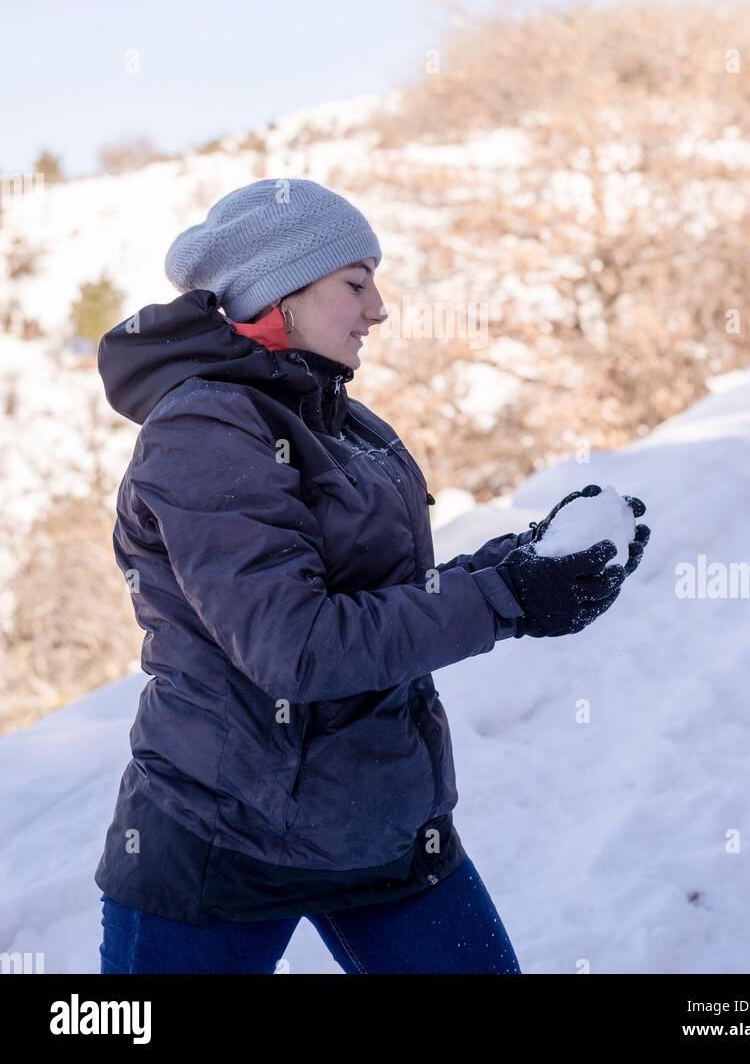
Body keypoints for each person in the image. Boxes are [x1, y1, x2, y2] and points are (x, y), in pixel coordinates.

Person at [94, 176, 650, 974]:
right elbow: (297, 646)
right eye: (355, 283)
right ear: (277, 292)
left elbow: (378, 593)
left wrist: (525, 565)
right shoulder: (205, 429)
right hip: (222, 839)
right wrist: (505, 599)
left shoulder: (340, 418)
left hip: (379, 821)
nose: (379, 307)